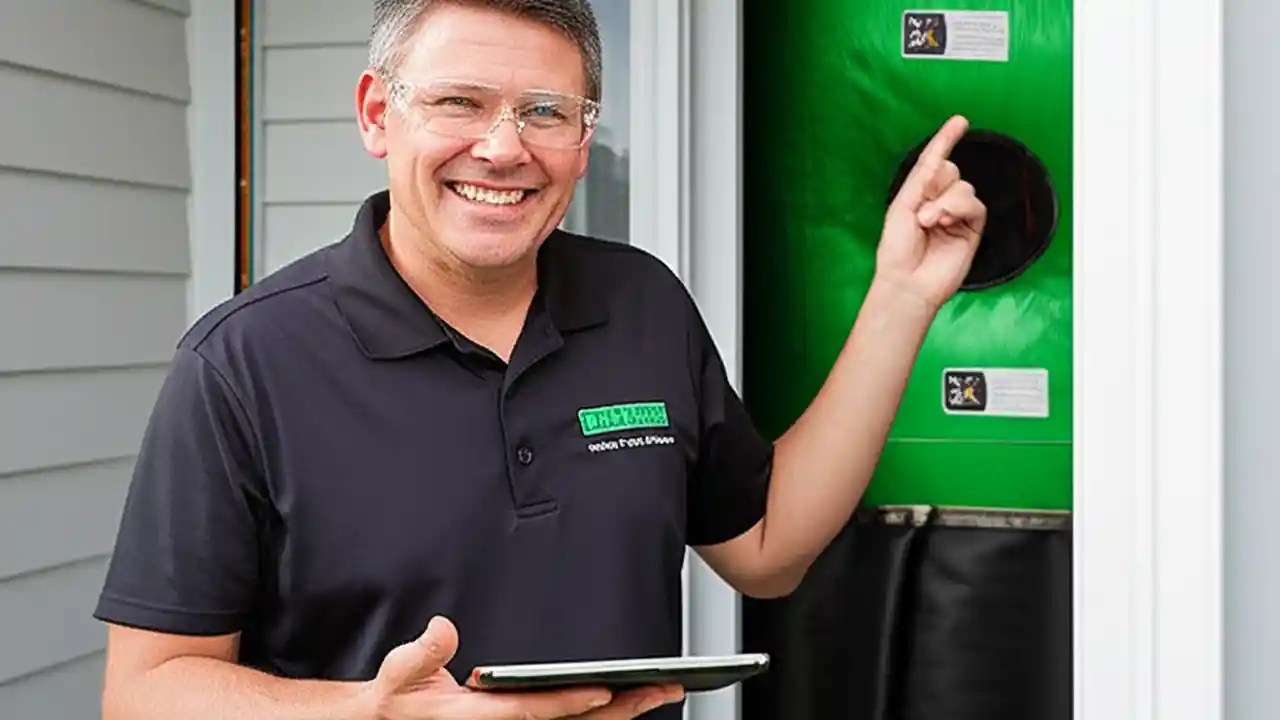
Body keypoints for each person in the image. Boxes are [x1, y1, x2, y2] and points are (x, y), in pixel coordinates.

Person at [92, 0, 986, 718]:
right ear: (378, 113)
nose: (504, 147)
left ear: (583, 139)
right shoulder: (243, 363)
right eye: (459, 102)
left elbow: (766, 550)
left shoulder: (641, 305)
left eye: (545, 112)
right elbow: (147, 688)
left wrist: (902, 294)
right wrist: (376, 714)